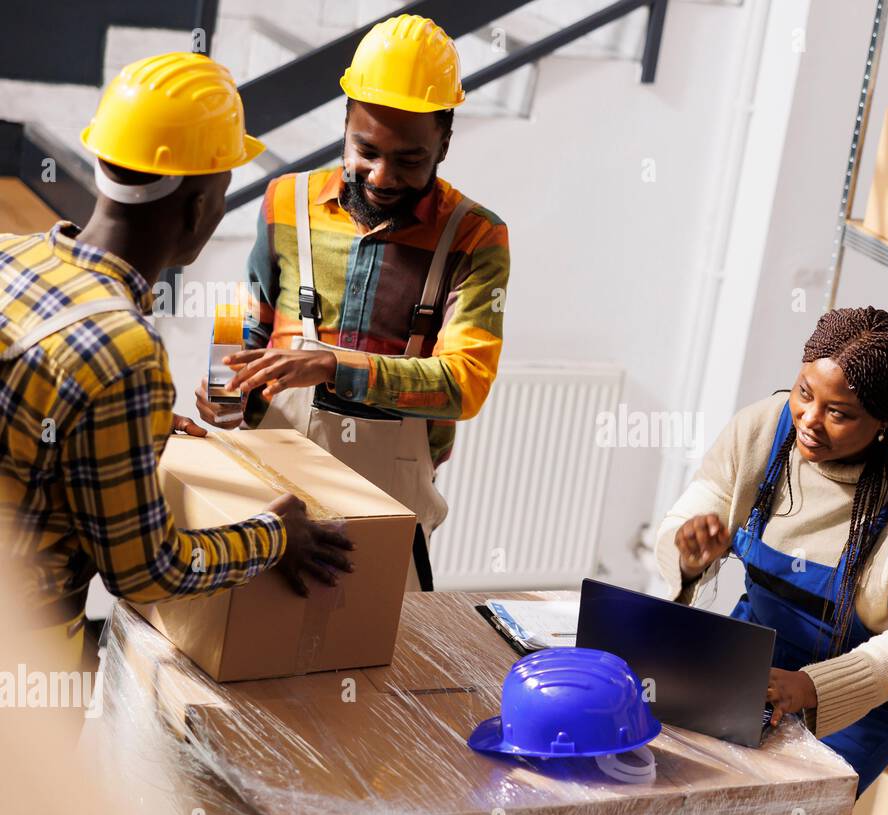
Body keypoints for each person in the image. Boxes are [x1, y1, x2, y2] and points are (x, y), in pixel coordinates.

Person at [0, 52, 352, 674]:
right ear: (197, 209)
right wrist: (277, 537)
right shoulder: (127, 352)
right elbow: (143, 572)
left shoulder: (11, 257)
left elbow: (25, 417)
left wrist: (120, 429)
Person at [195, 14, 510, 592]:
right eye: (365, 150)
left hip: (388, 495)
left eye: (410, 159)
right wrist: (220, 389)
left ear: (444, 141)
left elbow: (465, 384)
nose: (382, 176)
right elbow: (244, 318)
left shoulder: (474, 237)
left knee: (365, 664)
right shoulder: (285, 200)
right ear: (344, 123)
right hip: (270, 480)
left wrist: (333, 366)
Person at [657, 307, 888, 795]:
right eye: (805, 393)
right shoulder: (765, 430)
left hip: (869, 683)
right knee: (689, 784)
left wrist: (810, 687)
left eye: (839, 413)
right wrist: (689, 551)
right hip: (758, 645)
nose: (809, 420)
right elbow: (701, 502)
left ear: (885, 422)